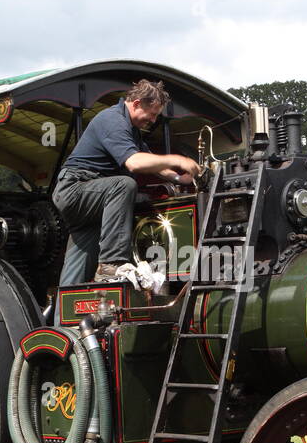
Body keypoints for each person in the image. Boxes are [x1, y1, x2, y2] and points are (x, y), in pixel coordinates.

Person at [52, 79, 202, 287]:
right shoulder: (112, 120)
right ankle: (111, 265)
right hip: (75, 189)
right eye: (152, 114)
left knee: (77, 266)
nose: (153, 120)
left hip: (91, 198)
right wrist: (178, 159)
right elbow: (134, 163)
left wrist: (180, 178)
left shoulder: (131, 130)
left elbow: (151, 162)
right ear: (137, 103)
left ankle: (63, 316)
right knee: (124, 186)